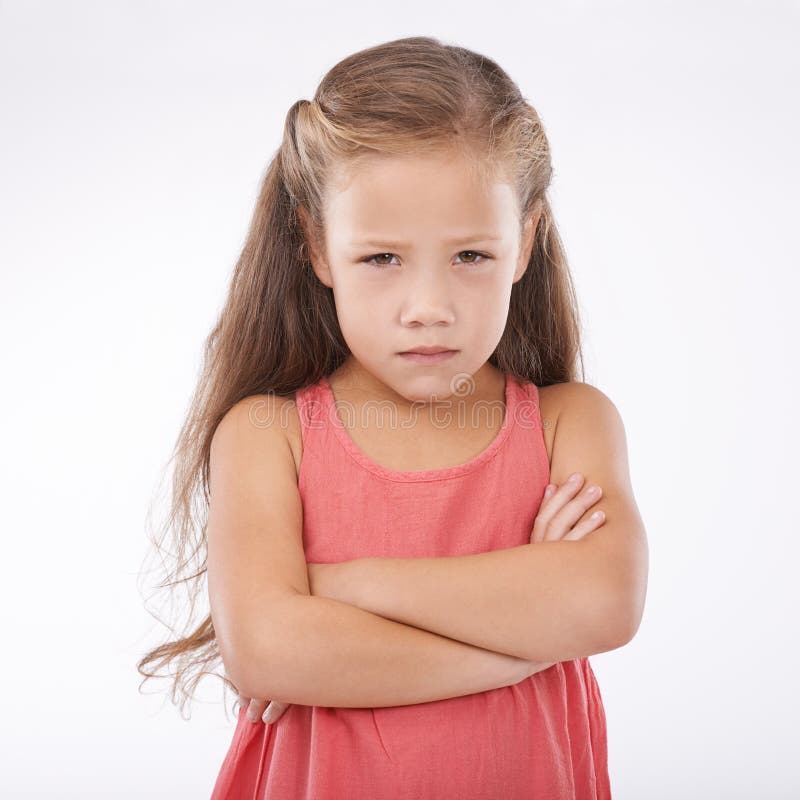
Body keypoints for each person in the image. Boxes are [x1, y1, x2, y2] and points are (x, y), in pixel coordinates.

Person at [137, 35, 648, 800]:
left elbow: (603, 603)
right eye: (382, 259)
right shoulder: (267, 435)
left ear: (524, 241)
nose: (428, 308)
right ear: (318, 246)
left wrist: (342, 588)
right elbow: (270, 651)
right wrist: (527, 642)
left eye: (470, 256)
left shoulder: (568, 422)